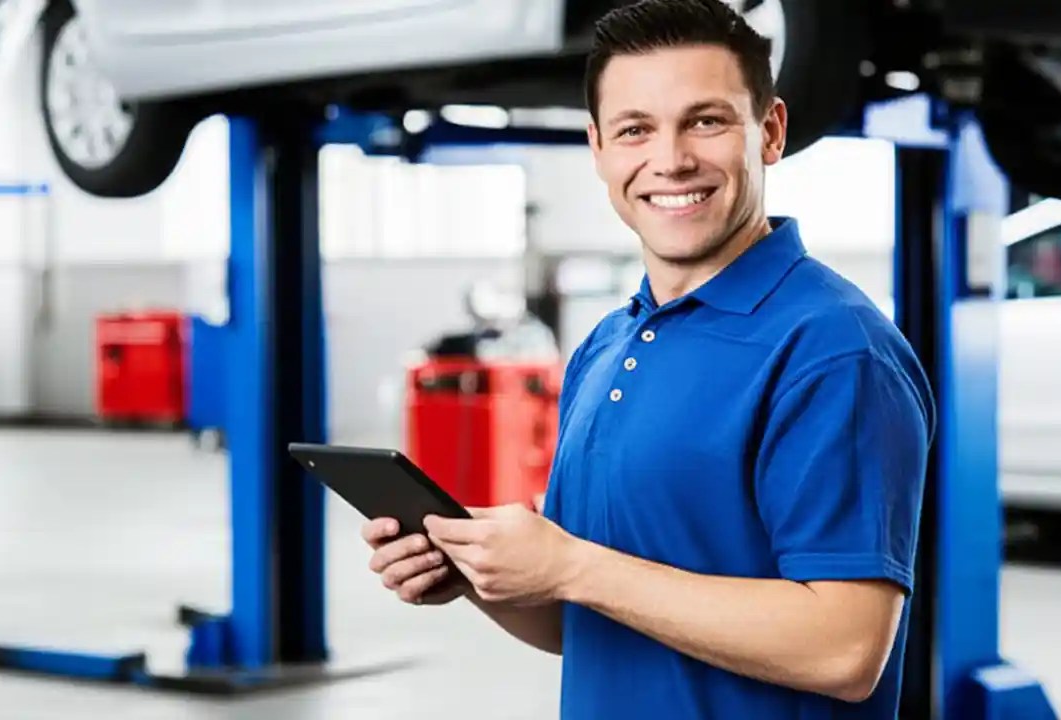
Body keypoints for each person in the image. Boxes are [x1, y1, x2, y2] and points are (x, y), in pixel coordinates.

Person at [361, 0, 934, 717]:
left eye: (706, 121)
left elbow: (845, 649)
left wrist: (573, 565)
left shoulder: (833, 349)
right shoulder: (607, 345)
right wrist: (477, 574)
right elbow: (582, 617)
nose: (670, 160)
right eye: (637, 130)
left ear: (771, 132)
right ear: (599, 148)